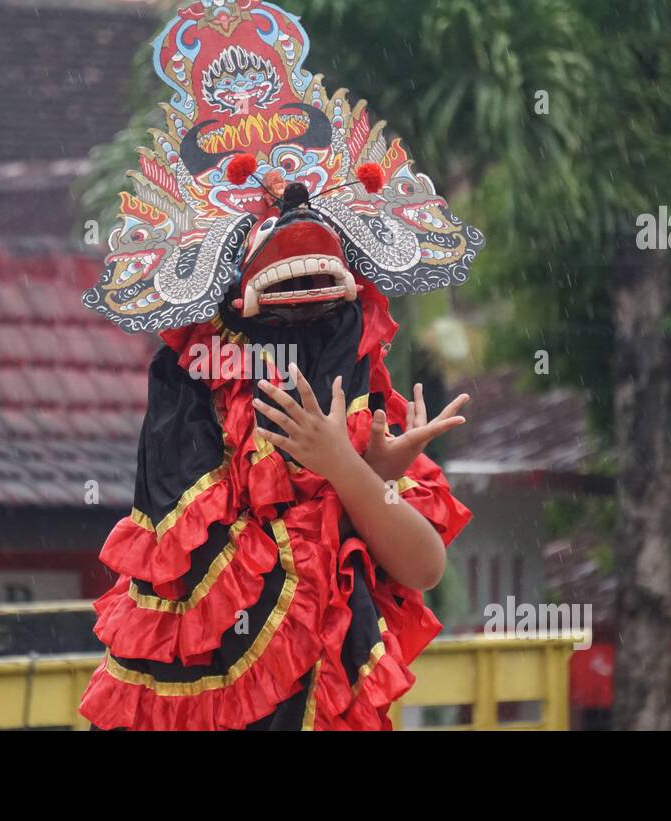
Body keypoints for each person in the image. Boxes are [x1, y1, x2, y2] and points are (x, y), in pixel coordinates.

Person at [78, 1, 483, 730]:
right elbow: (182, 623)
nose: (286, 195)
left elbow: (424, 566)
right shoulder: (197, 430)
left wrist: (359, 468)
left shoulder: (365, 424)